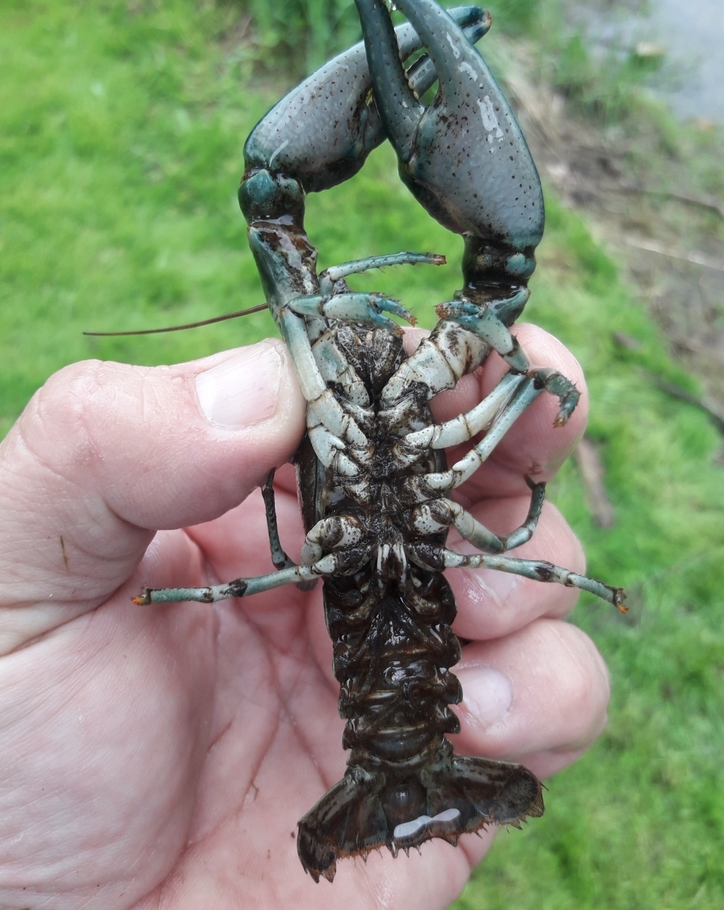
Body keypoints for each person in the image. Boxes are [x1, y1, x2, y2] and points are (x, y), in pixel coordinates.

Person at [0, 324, 609, 908]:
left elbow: (283, 555)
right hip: (407, 599)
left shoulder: (334, 418)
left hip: (378, 621)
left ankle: (396, 778)